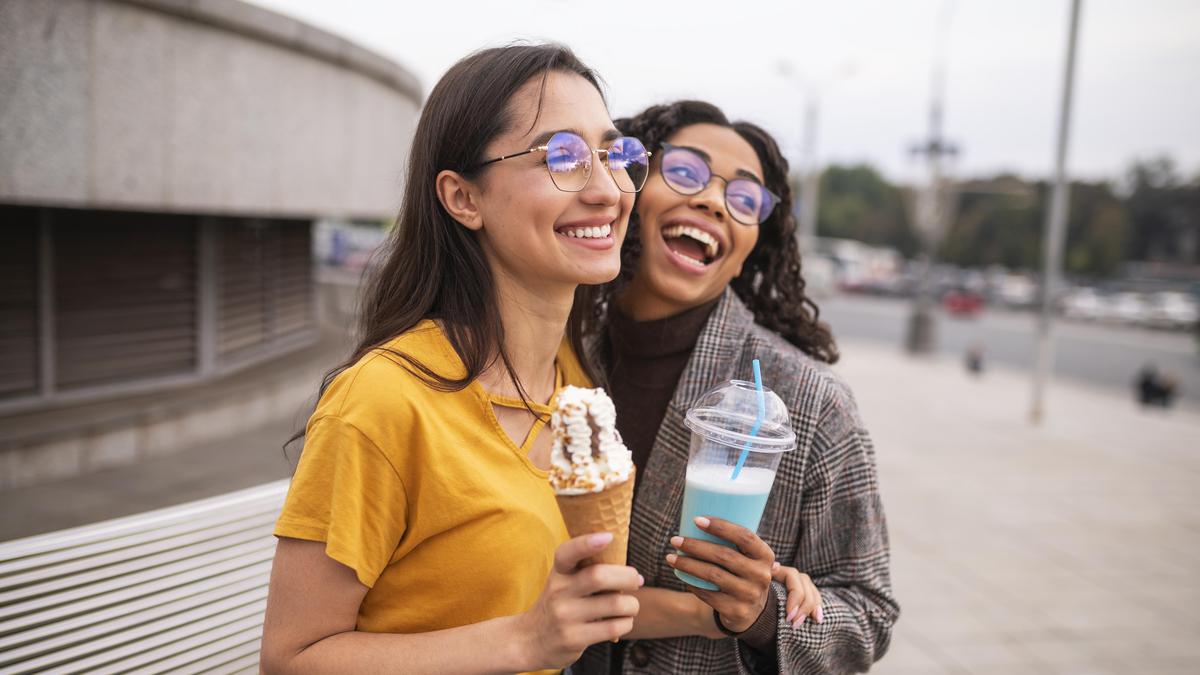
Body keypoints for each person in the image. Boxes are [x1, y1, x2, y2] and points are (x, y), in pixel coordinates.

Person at [260, 44, 653, 674]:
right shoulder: (384, 400)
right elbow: (290, 661)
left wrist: (736, 608)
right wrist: (524, 642)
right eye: (563, 156)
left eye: (616, 153)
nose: (608, 189)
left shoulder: (571, 384)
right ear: (462, 197)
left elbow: (567, 610)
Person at [575, 101, 899, 673]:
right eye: (684, 172)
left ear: (754, 241)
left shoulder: (810, 402)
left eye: (744, 198)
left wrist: (762, 614)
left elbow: (867, 612)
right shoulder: (561, 347)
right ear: (630, 185)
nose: (711, 200)